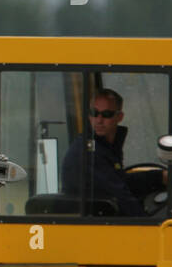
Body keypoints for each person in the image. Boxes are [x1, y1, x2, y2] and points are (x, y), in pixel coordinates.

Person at [60, 88, 154, 216]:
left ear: (119, 117)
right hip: (91, 223)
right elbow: (120, 195)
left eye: (107, 114)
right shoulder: (88, 150)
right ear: (89, 116)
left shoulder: (106, 146)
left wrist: (159, 178)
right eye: (94, 113)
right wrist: (150, 225)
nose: (99, 120)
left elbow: (119, 182)